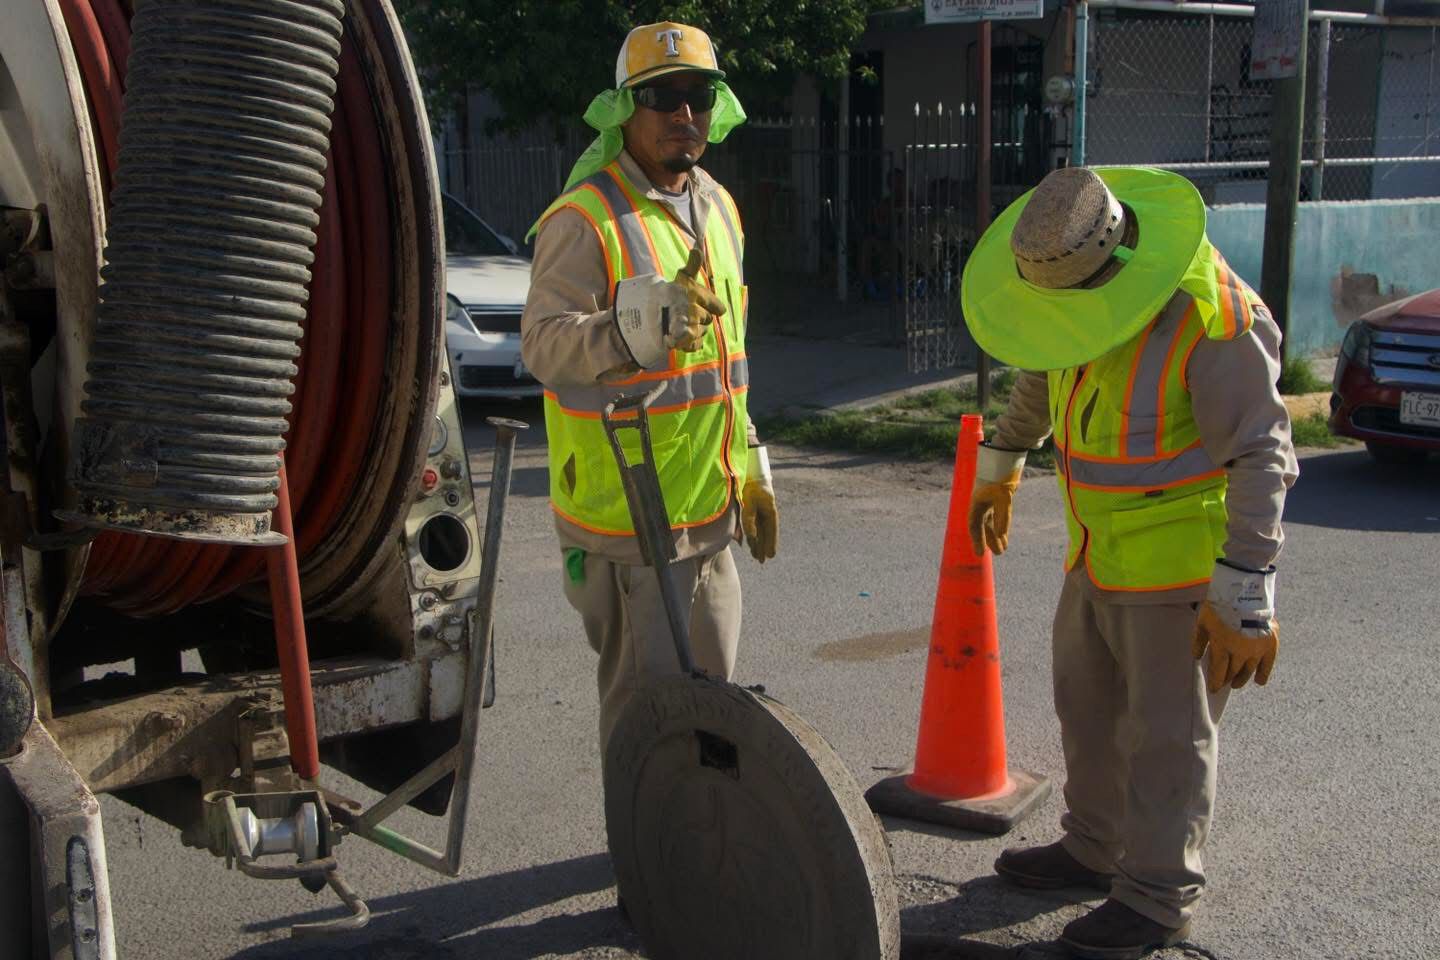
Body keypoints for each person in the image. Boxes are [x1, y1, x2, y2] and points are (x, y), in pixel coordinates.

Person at [960, 166, 1298, 960]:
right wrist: (1000, 461)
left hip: (1181, 576)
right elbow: (1045, 369)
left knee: (1168, 739)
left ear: (1116, 261)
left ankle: (1156, 897)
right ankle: (1093, 849)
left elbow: (1264, 454)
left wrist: (1247, 593)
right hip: (1096, 552)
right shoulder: (1074, 283)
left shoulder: (1210, 319)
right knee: (1087, 709)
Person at [521, 22, 778, 749]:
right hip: (628, 522)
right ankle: (649, 859)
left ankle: (696, 851)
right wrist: (639, 325)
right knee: (648, 723)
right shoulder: (583, 219)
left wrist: (754, 470)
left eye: (698, 95)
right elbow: (542, 345)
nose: (683, 114)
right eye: (661, 97)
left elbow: (728, 368)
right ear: (624, 110)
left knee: (711, 710)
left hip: (707, 512)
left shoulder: (719, 208)